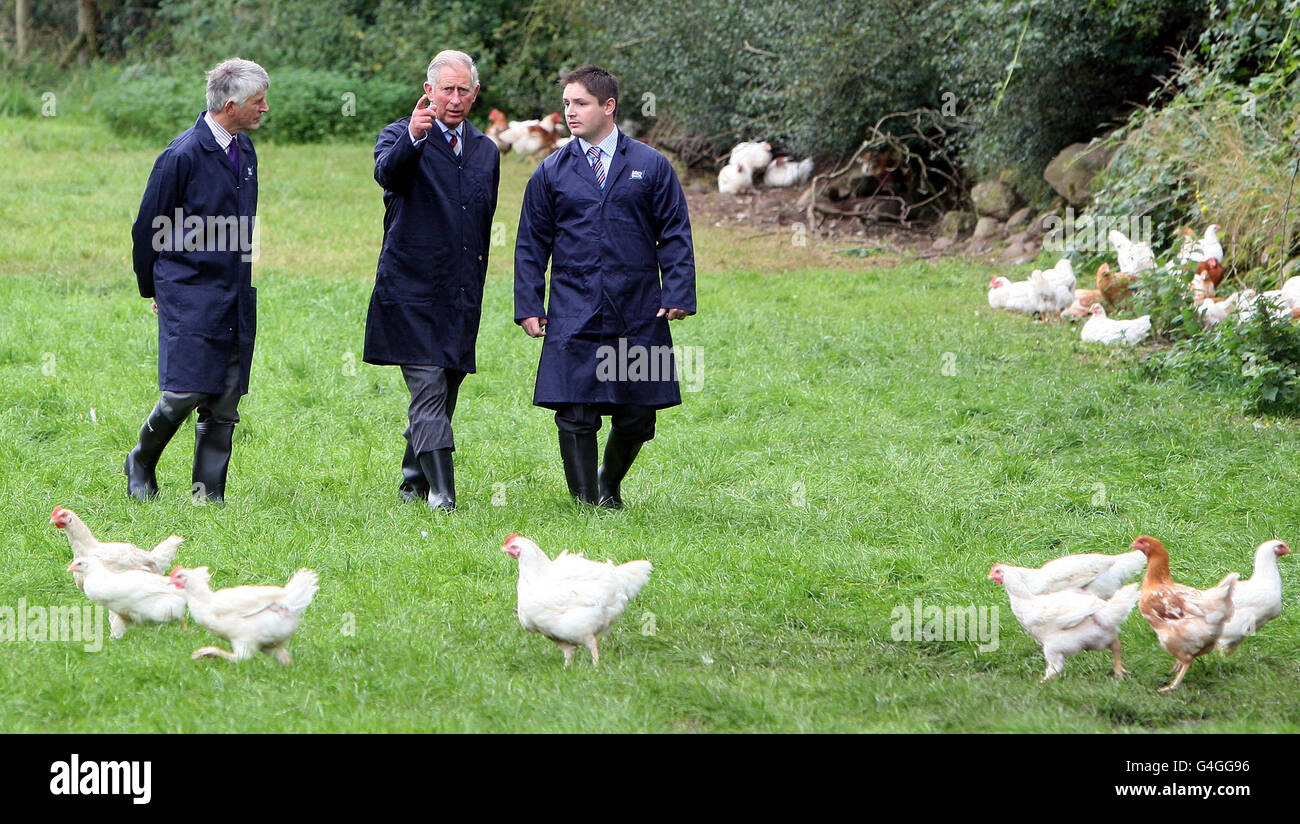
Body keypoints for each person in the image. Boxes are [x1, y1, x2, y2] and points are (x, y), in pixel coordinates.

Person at [514, 64, 696, 508]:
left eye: (580, 103)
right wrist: (528, 303)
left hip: (637, 307)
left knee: (638, 415)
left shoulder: (650, 166)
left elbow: (674, 232)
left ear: (608, 106)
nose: (569, 113)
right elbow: (531, 243)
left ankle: (607, 482)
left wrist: (678, 291)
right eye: (566, 104)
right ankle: (586, 503)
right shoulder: (551, 171)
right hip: (573, 307)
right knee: (575, 412)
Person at [126, 58, 268, 503]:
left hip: (234, 292)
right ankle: (140, 460)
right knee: (184, 390)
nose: (265, 109)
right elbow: (147, 227)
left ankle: (208, 495)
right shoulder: (181, 155)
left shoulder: (244, 150)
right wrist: (155, 289)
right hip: (188, 291)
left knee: (225, 397)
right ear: (231, 105)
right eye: (258, 102)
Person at [363, 50, 500, 511]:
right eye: (447, 89)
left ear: (475, 94)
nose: (455, 99)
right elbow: (388, 174)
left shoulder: (485, 151)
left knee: (446, 389)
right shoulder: (400, 135)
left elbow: (481, 221)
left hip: (461, 292)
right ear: (429, 91)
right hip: (410, 291)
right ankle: (443, 496)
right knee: (428, 388)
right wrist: (414, 138)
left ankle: (412, 482)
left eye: (464, 90)